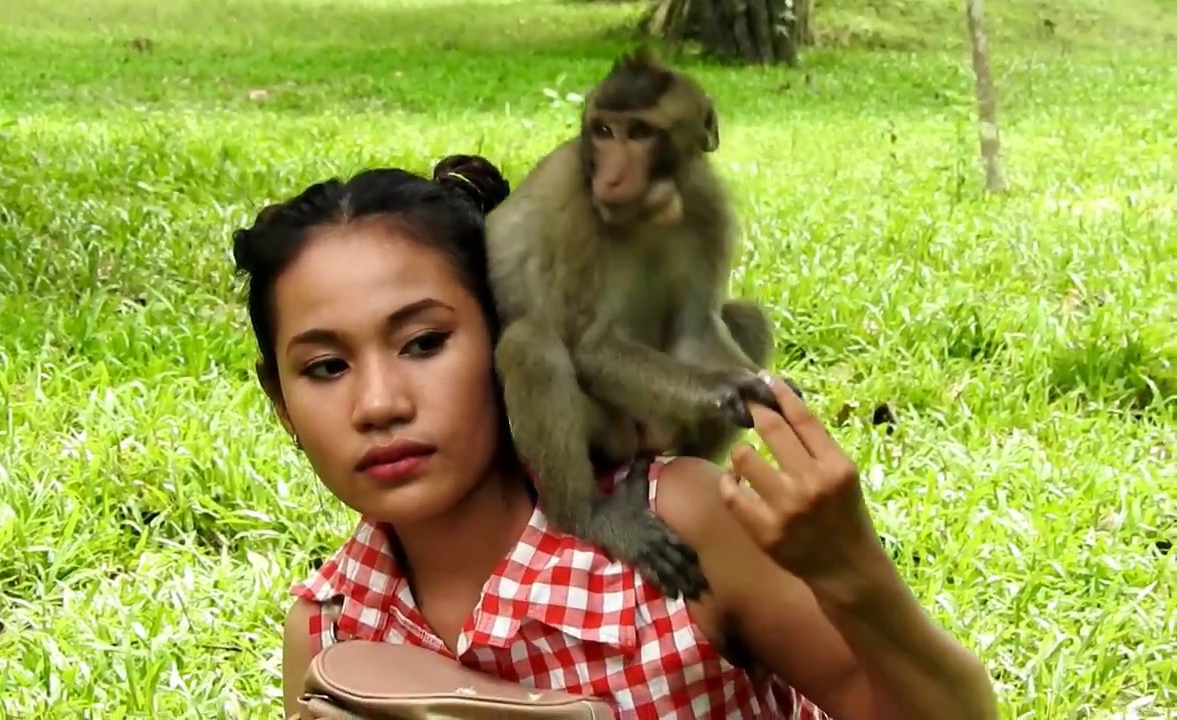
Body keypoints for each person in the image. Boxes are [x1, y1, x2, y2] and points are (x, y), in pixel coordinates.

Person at [230, 154, 999, 719]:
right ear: (282, 403)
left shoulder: (677, 528)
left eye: (426, 343)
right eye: (326, 366)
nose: (379, 403)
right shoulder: (333, 630)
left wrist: (854, 573)